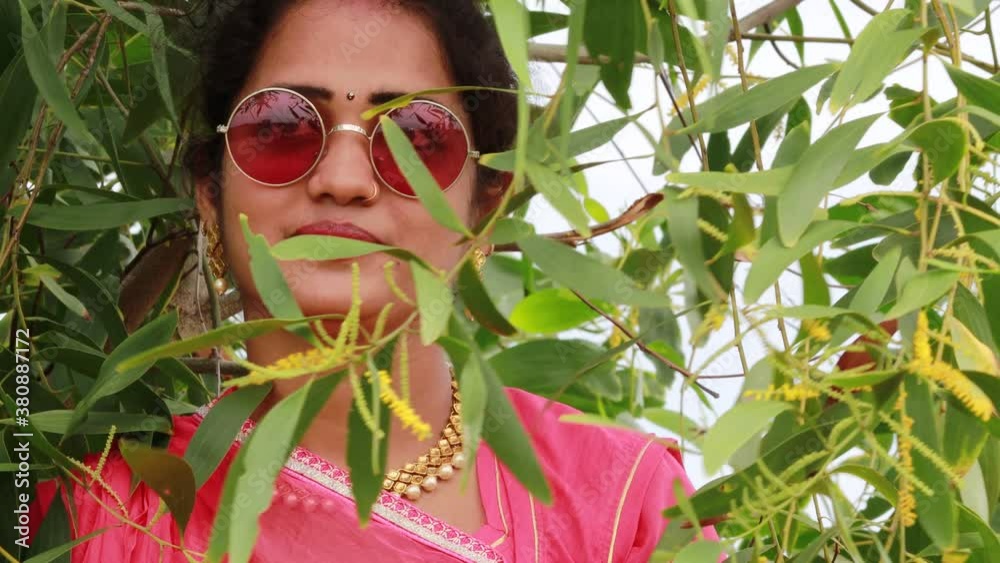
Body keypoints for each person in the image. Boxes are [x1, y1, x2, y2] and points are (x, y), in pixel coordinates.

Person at [28, 0, 717, 560]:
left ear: (484, 209)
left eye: (416, 137)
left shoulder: (624, 503)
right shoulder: (104, 510)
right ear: (211, 195)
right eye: (281, 127)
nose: (343, 180)